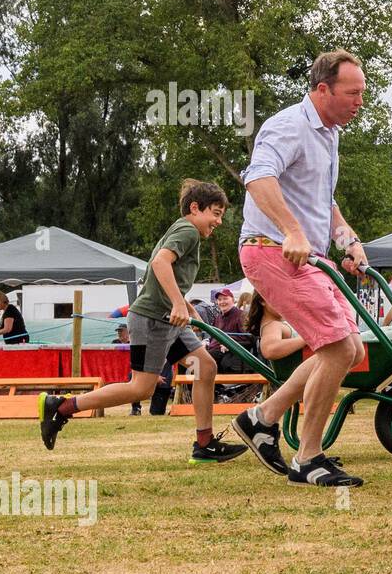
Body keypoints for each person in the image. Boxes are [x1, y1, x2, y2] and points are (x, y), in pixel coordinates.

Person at [232, 49, 369, 489]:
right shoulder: (288, 125)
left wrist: (349, 242)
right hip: (273, 250)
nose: (360, 102)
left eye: (362, 93)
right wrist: (292, 231)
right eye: (353, 93)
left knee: (352, 349)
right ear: (322, 89)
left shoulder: (330, 135)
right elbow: (258, 178)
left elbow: (323, 203)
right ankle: (308, 458)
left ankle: (262, 418)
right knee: (336, 348)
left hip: (311, 256)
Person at [37, 180, 246, 463]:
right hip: (152, 320)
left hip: (168, 321)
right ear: (195, 208)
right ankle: (61, 407)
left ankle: (204, 443)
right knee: (141, 388)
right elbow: (160, 264)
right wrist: (176, 303)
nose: (219, 221)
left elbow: (158, 277)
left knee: (205, 366)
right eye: (216, 213)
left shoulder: (185, 232)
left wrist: (186, 307)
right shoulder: (187, 230)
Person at [206, 287, 247, 375]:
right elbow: (212, 335)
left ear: (233, 300)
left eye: (225, 298)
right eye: (219, 299)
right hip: (213, 350)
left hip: (227, 353)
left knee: (201, 361)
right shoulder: (218, 317)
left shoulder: (241, 315)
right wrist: (205, 342)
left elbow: (248, 336)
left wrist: (229, 343)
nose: (222, 302)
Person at [112, 324, 143, 416]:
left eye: (121, 331)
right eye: (118, 331)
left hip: (131, 369)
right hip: (117, 370)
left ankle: (136, 408)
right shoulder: (114, 342)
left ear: (128, 332)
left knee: (133, 380)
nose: (119, 333)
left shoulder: (134, 342)